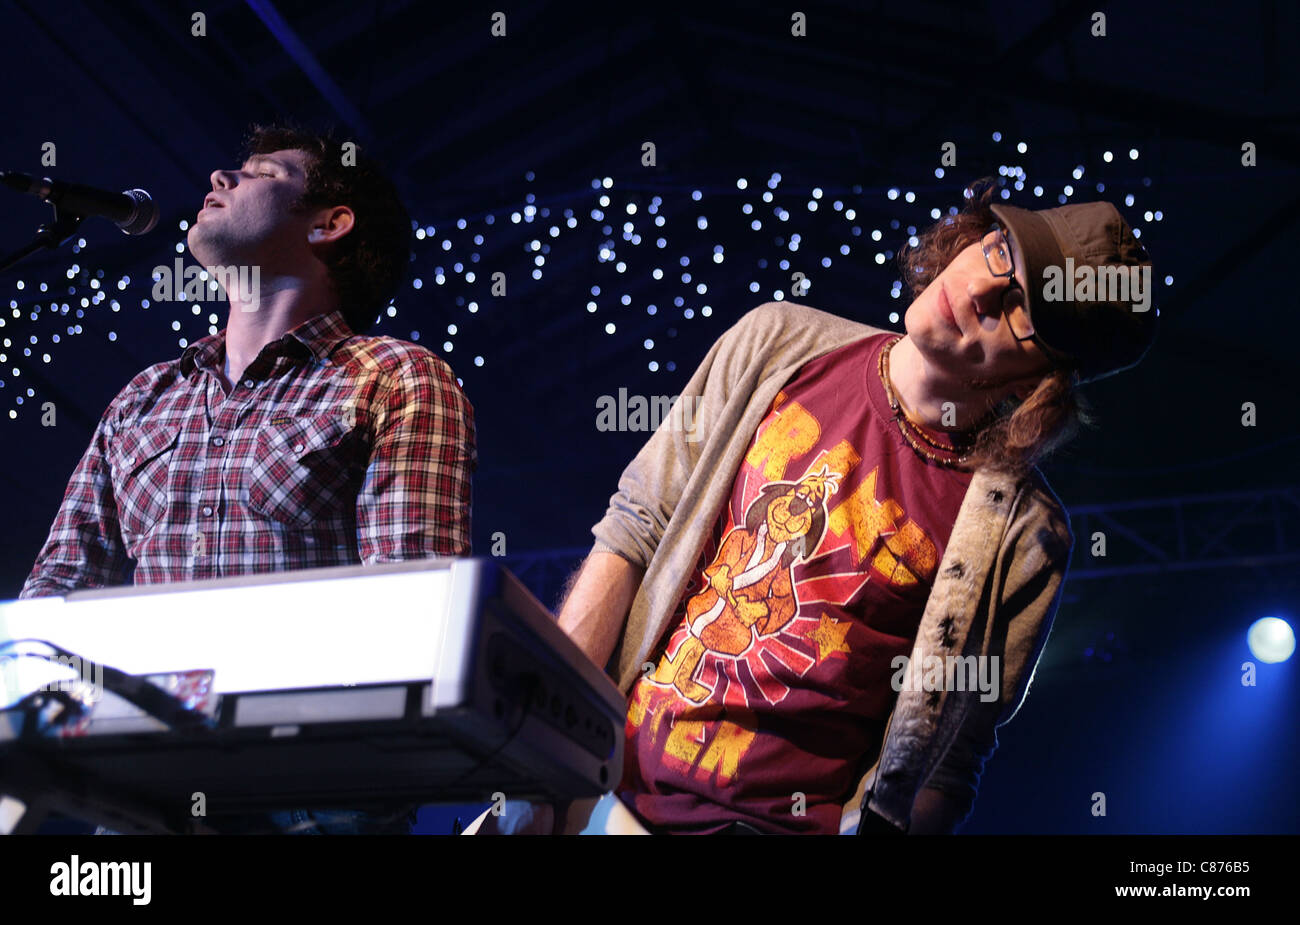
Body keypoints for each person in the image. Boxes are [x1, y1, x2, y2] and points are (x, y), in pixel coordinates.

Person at [486, 179, 1157, 835]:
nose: (980, 288)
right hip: (607, 801)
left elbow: (948, 766)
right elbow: (633, 531)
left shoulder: (1027, 533)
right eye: (1002, 250)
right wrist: (539, 763)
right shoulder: (776, 341)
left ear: (1040, 382)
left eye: (1021, 309)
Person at [19, 123, 477, 834]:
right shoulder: (143, 397)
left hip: (313, 800)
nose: (222, 179)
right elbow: (54, 593)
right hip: (140, 799)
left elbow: (411, 616)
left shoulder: (394, 377)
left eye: (261, 171)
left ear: (330, 224)